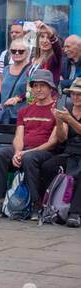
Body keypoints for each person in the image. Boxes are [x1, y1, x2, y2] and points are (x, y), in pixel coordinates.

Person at [0, 71, 62, 221]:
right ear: (31, 89)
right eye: (35, 86)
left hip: (45, 153)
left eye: (42, 86)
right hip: (24, 151)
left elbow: (53, 142)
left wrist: (25, 153)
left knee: (29, 158)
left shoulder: (56, 109)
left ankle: (36, 205)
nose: (38, 89)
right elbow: (18, 136)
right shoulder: (24, 110)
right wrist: (17, 152)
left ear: (50, 88)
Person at [45, 81, 81, 227]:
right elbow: (61, 138)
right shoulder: (68, 108)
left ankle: (75, 213)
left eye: (79, 94)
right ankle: (53, 207)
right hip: (70, 152)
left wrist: (70, 119)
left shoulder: (69, 114)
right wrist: (59, 121)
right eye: (73, 94)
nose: (75, 97)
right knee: (48, 166)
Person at [0, 38, 35, 124]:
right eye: (13, 51)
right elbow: (3, 88)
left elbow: (33, 93)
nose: (17, 53)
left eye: (21, 51)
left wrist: (18, 98)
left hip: (23, 116)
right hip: (5, 115)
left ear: (27, 52)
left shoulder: (31, 70)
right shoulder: (5, 69)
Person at [60, 35, 81, 102]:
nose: (65, 50)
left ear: (79, 46)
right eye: (64, 47)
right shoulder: (65, 62)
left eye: (68, 47)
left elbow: (78, 84)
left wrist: (64, 82)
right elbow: (58, 83)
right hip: (64, 98)